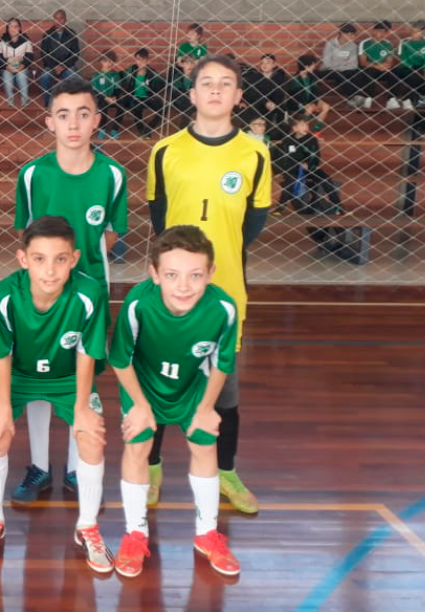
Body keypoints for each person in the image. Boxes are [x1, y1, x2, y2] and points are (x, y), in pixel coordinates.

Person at [145, 54, 272, 515]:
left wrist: (214, 261)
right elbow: (160, 219)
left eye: (226, 84)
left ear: (238, 97)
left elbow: (254, 222)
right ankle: (152, 466)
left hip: (225, 290)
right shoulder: (165, 150)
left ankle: (225, 472)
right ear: (193, 94)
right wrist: (179, 268)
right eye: (207, 83)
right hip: (171, 290)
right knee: (159, 381)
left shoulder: (256, 153)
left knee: (227, 391)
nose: (216, 91)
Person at [4, 76, 128, 504]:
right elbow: (26, 234)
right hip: (40, 296)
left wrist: (81, 274)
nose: (73, 123)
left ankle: (77, 469)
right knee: (38, 374)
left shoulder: (113, 174)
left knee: (82, 376)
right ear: (49, 122)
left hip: (87, 296)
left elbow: (110, 235)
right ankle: (39, 466)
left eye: (82, 113)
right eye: (63, 114)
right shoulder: (32, 174)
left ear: (96, 120)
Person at [0, 216, 113, 574]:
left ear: (75, 258)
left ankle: (88, 527)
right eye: (39, 259)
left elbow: (86, 352)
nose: (50, 270)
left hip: (67, 377)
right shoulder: (6, 293)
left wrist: (82, 408)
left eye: (60, 259)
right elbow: (1, 353)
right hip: (19, 375)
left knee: (91, 437)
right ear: (23, 259)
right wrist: (2, 407)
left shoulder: (90, 293)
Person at [110, 225, 241, 578]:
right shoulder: (138, 304)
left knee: (205, 443)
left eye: (195, 275)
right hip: (144, 387)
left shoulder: (224, 309)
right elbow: (121, 360)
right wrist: (139, 405)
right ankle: (135, 534)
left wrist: (205, 409)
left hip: (192, 387)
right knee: (137, 446)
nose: (183, 286)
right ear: (154, 274)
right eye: (172, 275)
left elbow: (221, 364)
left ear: (210, 273)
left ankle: (207, 534)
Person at [119, 47, 166, 139]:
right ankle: (142, 132)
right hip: (135, 97)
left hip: (147, 97)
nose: (140, 62)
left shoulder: (151, 73)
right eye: (137, 60)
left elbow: (161, 82)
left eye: (142, 60)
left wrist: (155, 92)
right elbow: (121, 74)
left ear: (147, 60)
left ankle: (148, 129)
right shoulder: (132, 70)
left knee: (163, 108)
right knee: (136, 108)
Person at [39, 9, 82, 108]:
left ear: (65, 20)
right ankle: (48, 101)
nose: (58, 21)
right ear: (53, 20)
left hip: (67, 66)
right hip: (51, 66)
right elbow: (44, 54)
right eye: (56, 19)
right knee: (44, 76)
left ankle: (71, 102)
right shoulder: (47, 34)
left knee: (74, 76)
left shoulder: (71, 34)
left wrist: (63, 66)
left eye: (61, 19)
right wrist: (55, 66)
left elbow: (76, 54)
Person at [395, 19, 425, 110]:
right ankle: (408, 99)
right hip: (407, 67)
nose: (414, 33)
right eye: (413, 31)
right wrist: (414, 69)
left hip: (422, 66)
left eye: (417, 31)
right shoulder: (405, 42)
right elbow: (403, 59)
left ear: (422, 32)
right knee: (414, 75)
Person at [358, 21, 401, 109]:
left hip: (383, 69)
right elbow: (363, 62)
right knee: (368, 71)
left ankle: (391, 100)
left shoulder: (388, 44)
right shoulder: (365, 43)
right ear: (373, 31)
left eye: (384, 31)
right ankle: (368, 98)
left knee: (395, 72)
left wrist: (384, 66)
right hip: (370, 68)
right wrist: (376, 66)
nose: (381, 34)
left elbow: (389, 62)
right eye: (379, 31)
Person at [321, 23, 365, 105]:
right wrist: (344, 63)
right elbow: (327, 63)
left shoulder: (353, 46)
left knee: (356, 73)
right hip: (328, 70)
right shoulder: (330, 44)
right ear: (342, 34)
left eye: (353, 35)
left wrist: (339, 64)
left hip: (345, 70)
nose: (352, 37)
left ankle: (357, 98)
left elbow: (353, 65)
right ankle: (354, 97)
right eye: (349, 35)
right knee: (338, 74)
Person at [241, 54, 288, 127]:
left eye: (268, 62)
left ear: (274, 64)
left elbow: (280, 94)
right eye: (262, 63)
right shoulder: (254, 77)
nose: (264, 65)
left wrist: (272, 103)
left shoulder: (281, 78)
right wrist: (265, 102)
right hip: (257, 106)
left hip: (274, 107)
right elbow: (251, 93)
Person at [0, 18, 34, 108]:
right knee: (6, 75)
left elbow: (30, 57)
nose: (13, 29)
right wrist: (6, 66)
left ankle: (24, 100)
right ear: (7, 28)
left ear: (20, 28)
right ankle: (10, 100)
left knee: (21, 75)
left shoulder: (26, 41)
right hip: (7, 68)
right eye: (11, 26)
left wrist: (23, 65)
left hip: (22, 68)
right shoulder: (2, 41)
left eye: (16, 26)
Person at [288, 54, 331, 123]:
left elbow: (316, 92)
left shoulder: (311, 77)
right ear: (306, 66)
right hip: (298, 104)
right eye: (313, 65)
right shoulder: (295, 80)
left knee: (326, 106)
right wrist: (307, 105)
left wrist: (314, 103)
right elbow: (293, 98)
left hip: (310, 102)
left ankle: (316, 130)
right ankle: (303, 128)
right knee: (309, 109)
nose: (314, 67)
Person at [92, 50, 124, 140]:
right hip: (101, 98)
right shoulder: (97, 75)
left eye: (111, 61)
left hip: (112, 98)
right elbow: (95, 91)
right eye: (106, 61)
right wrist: (106, 98)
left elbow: (118, 88)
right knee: (102, 106)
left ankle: (114, 129)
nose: (109, 63)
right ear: (101, 61)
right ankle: (102, 129)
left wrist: (115, 97)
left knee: (121, 106)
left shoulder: (115, 74)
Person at [168, 54, 198, 129]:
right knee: (187, 105)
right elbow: (176, 92)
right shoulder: (178, 77)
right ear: (183, 65)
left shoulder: (197, 77)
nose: (189, 66)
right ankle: (183, 129)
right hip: (179, 101)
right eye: (187, 63)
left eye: (191, 63)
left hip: (195, 101)